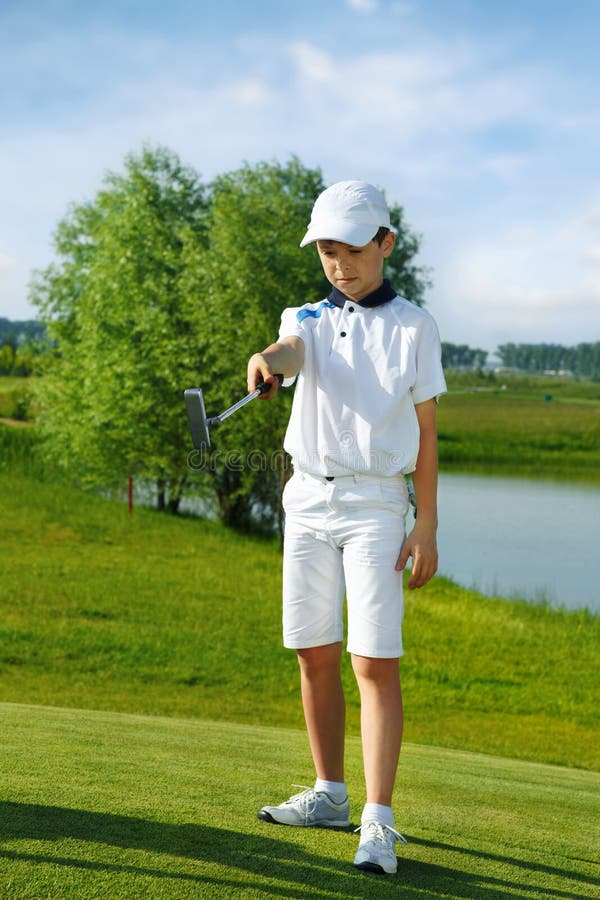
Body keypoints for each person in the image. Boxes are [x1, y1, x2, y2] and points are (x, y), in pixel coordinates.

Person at [247, 180, 446, 875]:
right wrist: (268, 363)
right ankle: (331, 793)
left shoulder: (415, 327)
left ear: (385, 244)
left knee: (373, 661)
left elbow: (426, 431)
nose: (339, 265)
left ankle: (379, 820)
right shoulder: (302, 314)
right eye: (328, 251)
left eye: (353, 250)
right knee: (313, 651)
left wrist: (426, 526)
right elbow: (290, 350)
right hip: (306, 499)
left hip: (377, 508)